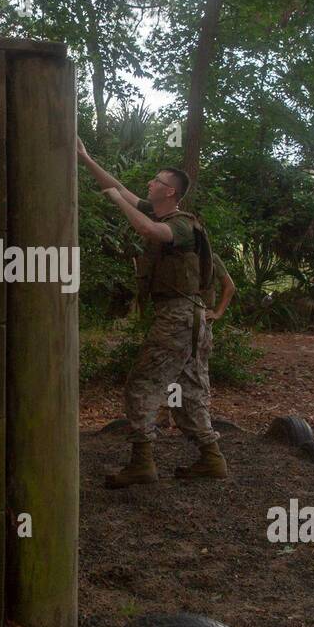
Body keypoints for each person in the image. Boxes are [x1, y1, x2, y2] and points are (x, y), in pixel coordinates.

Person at [77, 137, 228, 486]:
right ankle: (211, 458)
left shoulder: (180, 225)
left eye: (157, 182)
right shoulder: (163, 212)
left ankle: (142, 462)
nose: (149, 184)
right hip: (190, 319)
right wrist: (86, 158)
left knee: (142, 384)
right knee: (189, 390)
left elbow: (148, 229)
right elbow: (120, 189)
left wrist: (117, 202)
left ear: (171, 193)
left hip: (177, 318)